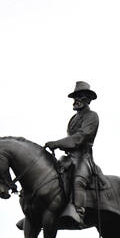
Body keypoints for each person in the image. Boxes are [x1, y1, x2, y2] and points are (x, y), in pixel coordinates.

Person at [43, 81, 100, 229]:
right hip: (70, 157)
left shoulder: (92, 116)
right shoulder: (73, 119)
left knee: (78, 180)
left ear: (88, 99)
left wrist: (57, 143)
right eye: (75, 97)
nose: (76, 100)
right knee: (50, 174)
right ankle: (39, 211)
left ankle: (78, 213)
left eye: (80, 97)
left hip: (84, 157)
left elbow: (80, 137)